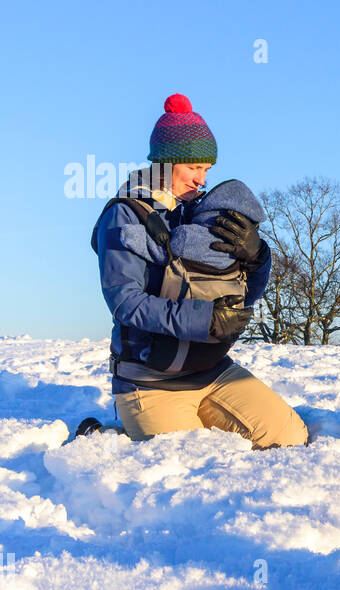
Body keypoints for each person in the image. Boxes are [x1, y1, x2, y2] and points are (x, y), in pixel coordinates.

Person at [85, 94, 308, 449]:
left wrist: (257, 256)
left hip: (212, 369)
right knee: (191, 460)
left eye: (206, 171)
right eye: (194, 169)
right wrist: (204, 320)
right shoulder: (123, 215)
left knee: (291, 436)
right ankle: (109, 437)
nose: (201, 181)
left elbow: (245, 293)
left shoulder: (200, 214)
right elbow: (125, 303)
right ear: (166, 163)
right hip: (150, 381)